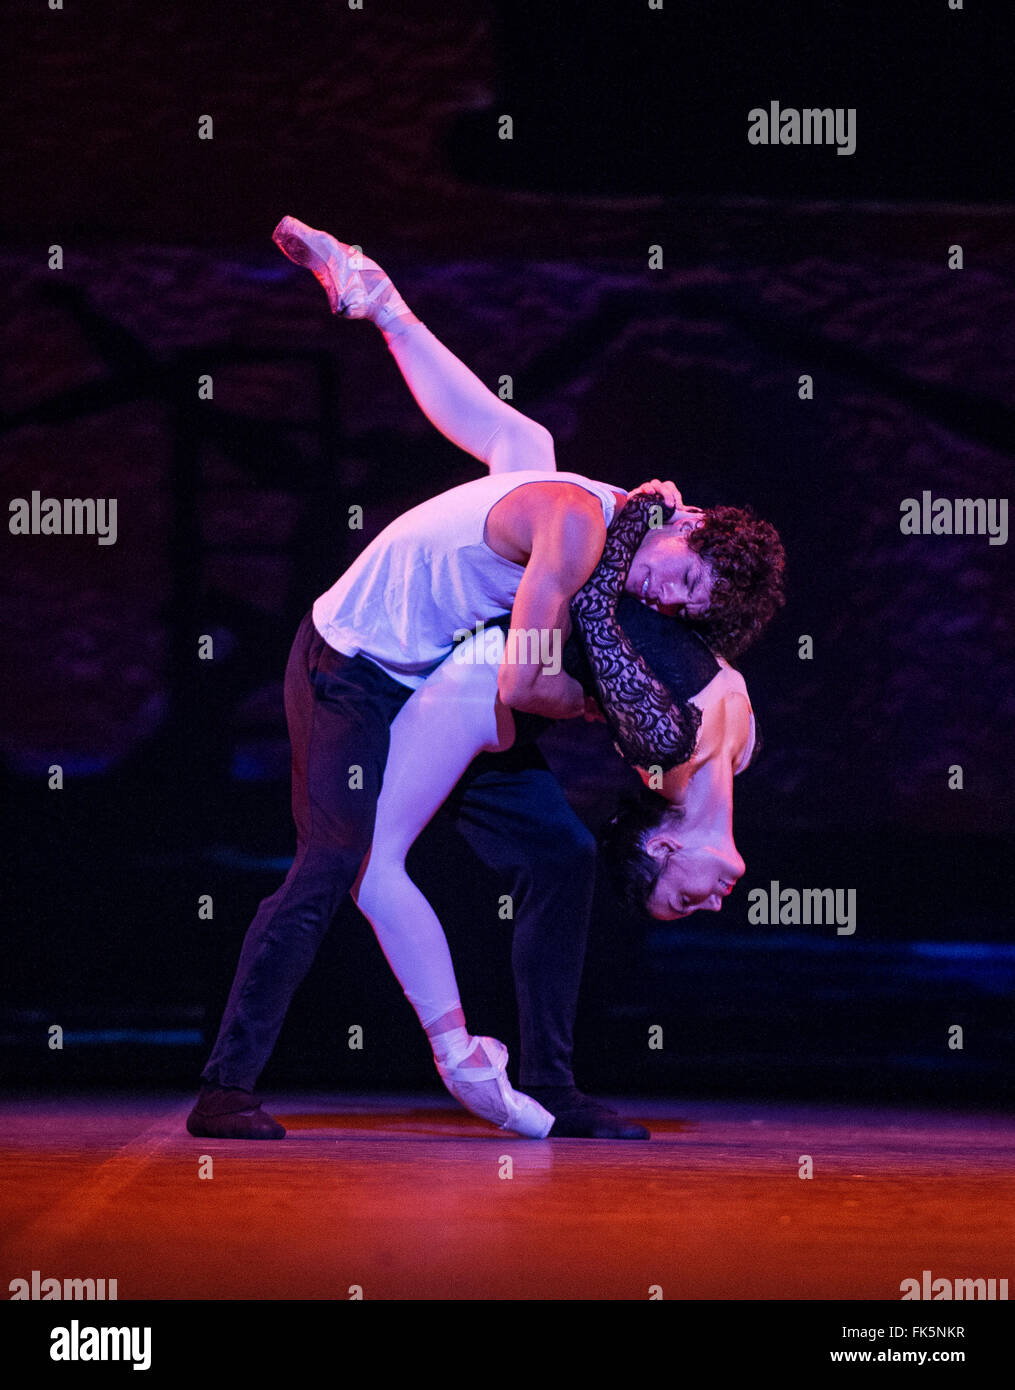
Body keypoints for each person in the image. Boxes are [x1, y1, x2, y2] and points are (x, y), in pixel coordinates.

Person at [185, 218, 785, 1142]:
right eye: (681, 577)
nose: (663, 600)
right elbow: (524, 687)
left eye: (679, 607)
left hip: (435, 685)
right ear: (687, 522)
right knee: (337, 862)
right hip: (347, 668)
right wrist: (611, 714)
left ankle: (551, 1084)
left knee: (562, 857)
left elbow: (477, 419)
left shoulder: (576, 496)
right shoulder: (577, 527)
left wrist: (386, 311)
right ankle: (228, 1087)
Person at [351, 492, 762, 1138]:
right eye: (685, 905)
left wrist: (633, 520)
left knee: (413, 860)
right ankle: (463, 1058)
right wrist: (642, 515)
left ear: (663, 850)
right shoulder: (736, 750)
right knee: (370, 862)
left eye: (683, 903)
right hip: (483, 682)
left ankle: (518, 1074)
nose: (710, 906)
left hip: (485, 690)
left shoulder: (663, 753)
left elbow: (597, 612)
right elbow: (600, 607)